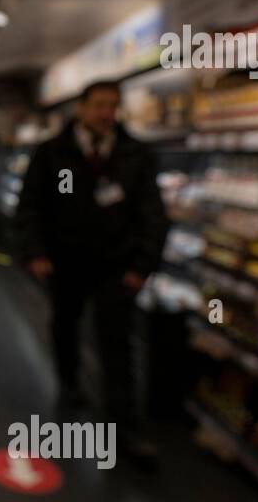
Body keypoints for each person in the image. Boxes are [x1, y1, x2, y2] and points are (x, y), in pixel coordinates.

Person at [13, 80, 168, 462]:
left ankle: (125, 432)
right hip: (66, 262)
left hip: (116, 266)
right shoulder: (53, 154)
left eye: (112, 106)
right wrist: (35, 252)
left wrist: (142, 265)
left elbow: (153, 213)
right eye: (99, 105)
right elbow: (31, 205)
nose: (105, 113)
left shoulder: (135, 154)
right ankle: (69, 384)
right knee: (65, 324)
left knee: (117, 345)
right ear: (81, 108)